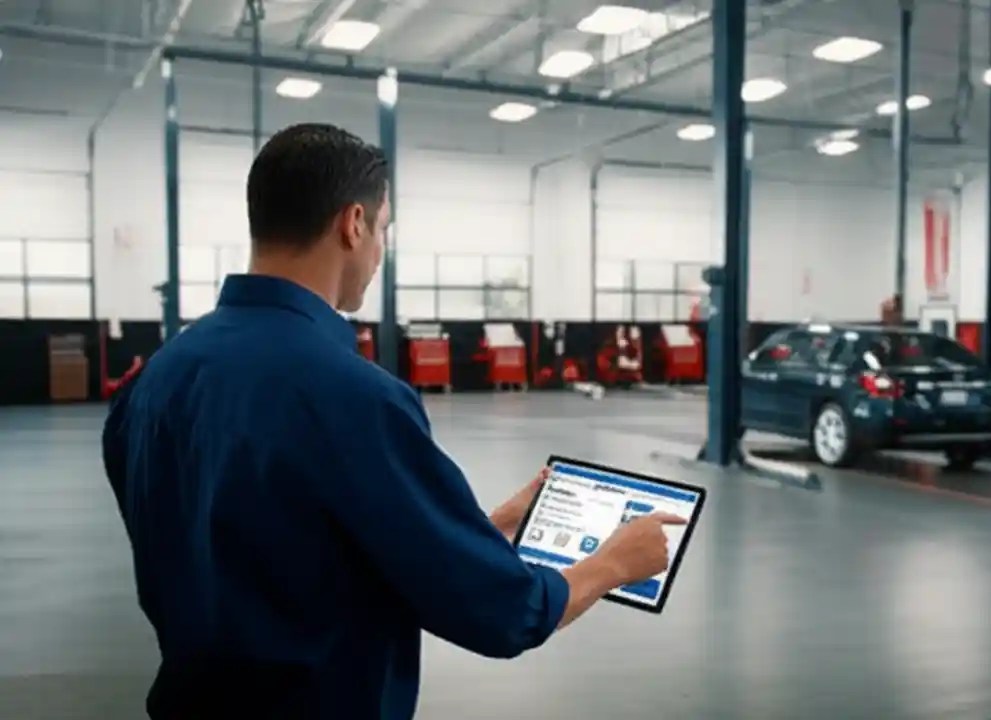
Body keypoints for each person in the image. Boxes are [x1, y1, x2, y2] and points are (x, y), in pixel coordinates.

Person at [101, 123, 683, 719]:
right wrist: (614, 562)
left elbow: (274, 545)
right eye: (383, 231)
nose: (379, 252)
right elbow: (502, 613)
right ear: (353, 224)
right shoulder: (355, 396)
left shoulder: (156, 379)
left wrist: (481, 526)